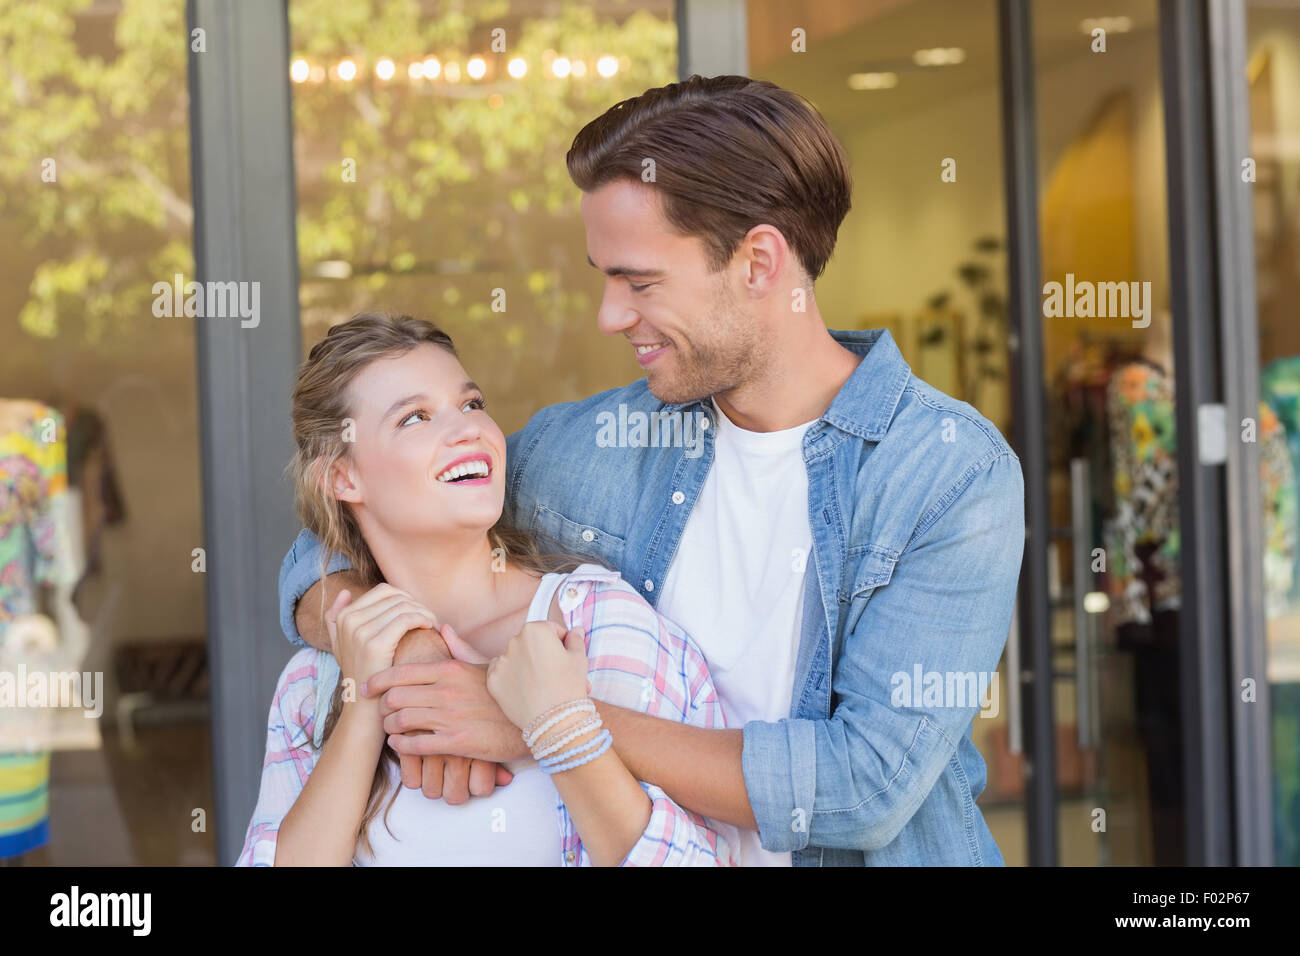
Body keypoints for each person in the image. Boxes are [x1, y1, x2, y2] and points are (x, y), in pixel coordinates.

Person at [281, 75, 1025, 866]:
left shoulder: (949, 477)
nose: (609, 315)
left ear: (760, 262)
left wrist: (540, 719)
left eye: (638, 282)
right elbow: (323, 555)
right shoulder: (595, 443)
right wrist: (415, 651)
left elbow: (860, 789)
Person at [238, 313, 733, 866]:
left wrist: (558, 726)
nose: (468, 428)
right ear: (342, 478)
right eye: (414, 418)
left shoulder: (595, 625)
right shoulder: (313, 684)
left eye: (472, 404)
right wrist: (365, 706)